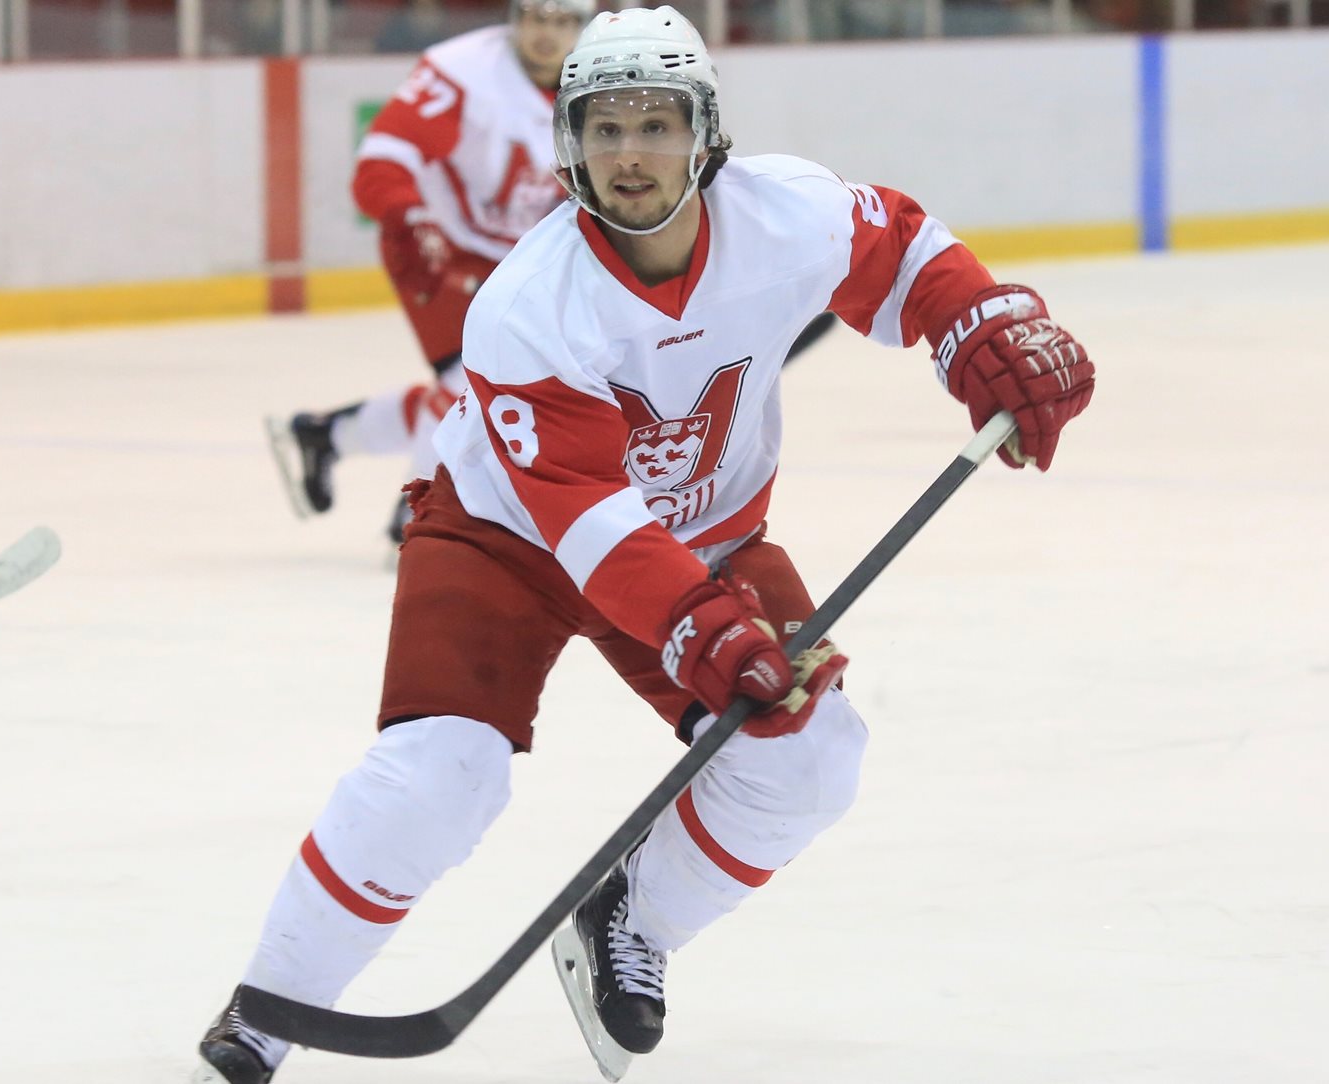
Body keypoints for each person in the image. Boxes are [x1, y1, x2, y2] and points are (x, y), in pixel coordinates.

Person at [196, 7, 1096, 1083]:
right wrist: (697, 624)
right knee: (442, 774)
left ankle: (631, 918)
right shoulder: (529, 304)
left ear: (705, 133)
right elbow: (581, 507)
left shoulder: (784, 213)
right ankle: (270, 1013)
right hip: (504, 537)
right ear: (570, 143)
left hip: (704, 538)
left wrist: (984, 324)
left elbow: (904, 249)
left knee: (812, 759)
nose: (631, 153)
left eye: (657, 124)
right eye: (605, 128)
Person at [265, 0, 593, 543]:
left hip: (516, 260)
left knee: (507, 387)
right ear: (515, 18)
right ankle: (420, 511)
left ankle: (329, 435)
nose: (545, 33)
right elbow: (379, 164)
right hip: (435, 245)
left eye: (562, 22)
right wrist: (412, 216)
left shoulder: (598, 80)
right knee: (466, 380)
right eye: (536, 17)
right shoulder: (461, 72)